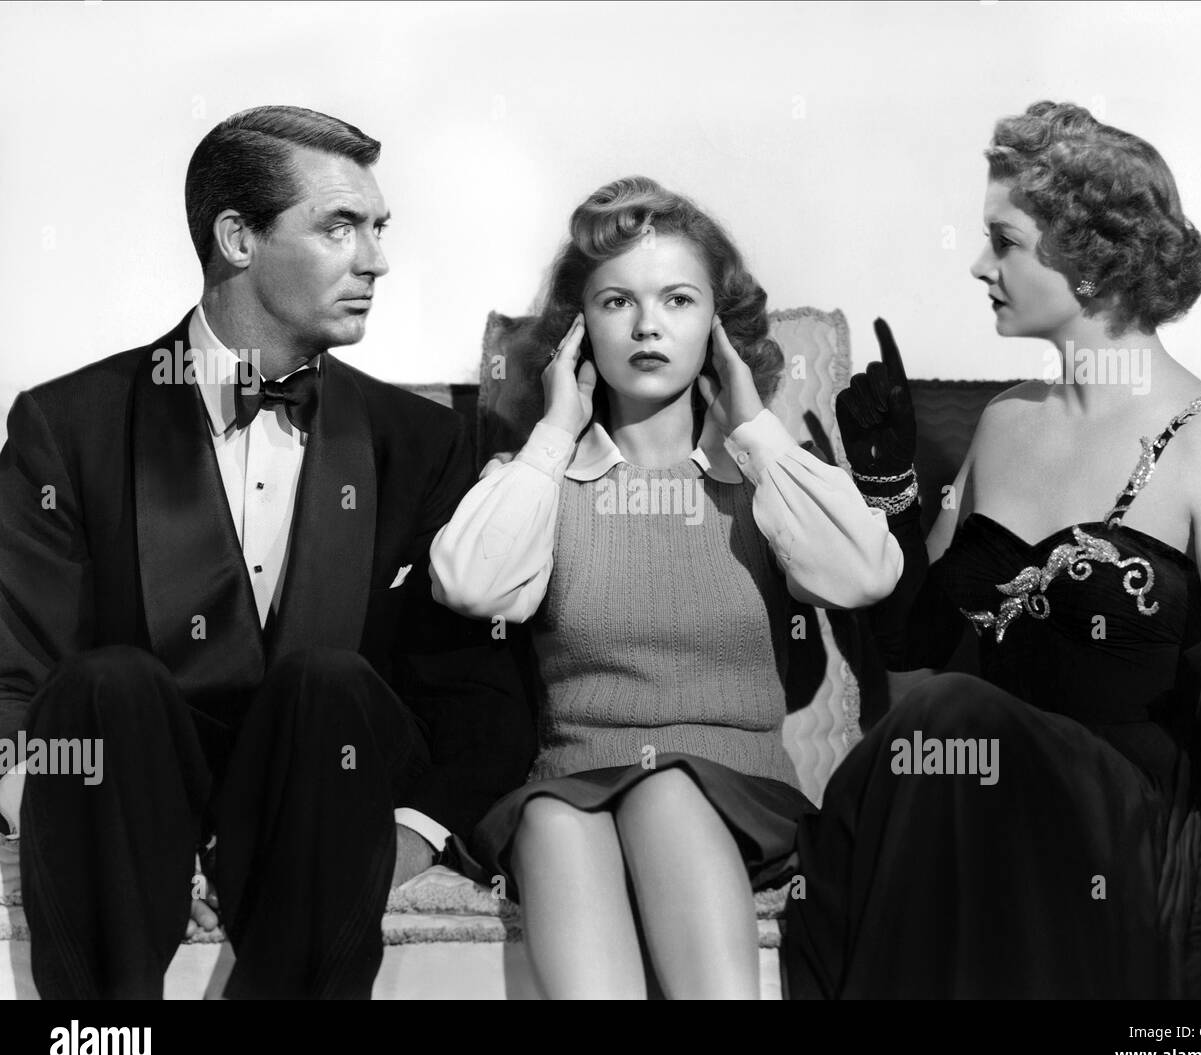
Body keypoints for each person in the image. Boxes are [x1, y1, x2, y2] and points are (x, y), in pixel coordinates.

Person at [0, 105, 533, 999]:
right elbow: (12, 676)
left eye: (378, 229)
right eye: (339, 227)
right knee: (103, 686)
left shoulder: (424, 441)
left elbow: (478, 692)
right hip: (135, 785)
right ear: (237, 238)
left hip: (323, 795)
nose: (377, 260)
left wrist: (402, 837)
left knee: (330, 683)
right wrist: (117, 840)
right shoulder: (68, 424)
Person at [783, 101, 1201, 1000]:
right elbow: (915, 647)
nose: (979, 266)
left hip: (1126, 825)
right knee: (940, 733)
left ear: (1089, 257)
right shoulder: (1007, 422)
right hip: (982, 799)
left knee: (947, 723)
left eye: (1005, 241)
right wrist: (890, 485)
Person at [429, 176, 903, 999]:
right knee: (545, 816)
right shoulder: (542, 478)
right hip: (573, 785)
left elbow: (865, 576)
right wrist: (552, 435)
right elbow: (470, 587)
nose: (648, 326)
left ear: (717, 328)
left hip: (731, 791)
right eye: (617, 303)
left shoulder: (760, 477)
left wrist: (754, 430)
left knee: (666, 796)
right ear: (579, 332)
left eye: (679, 300)